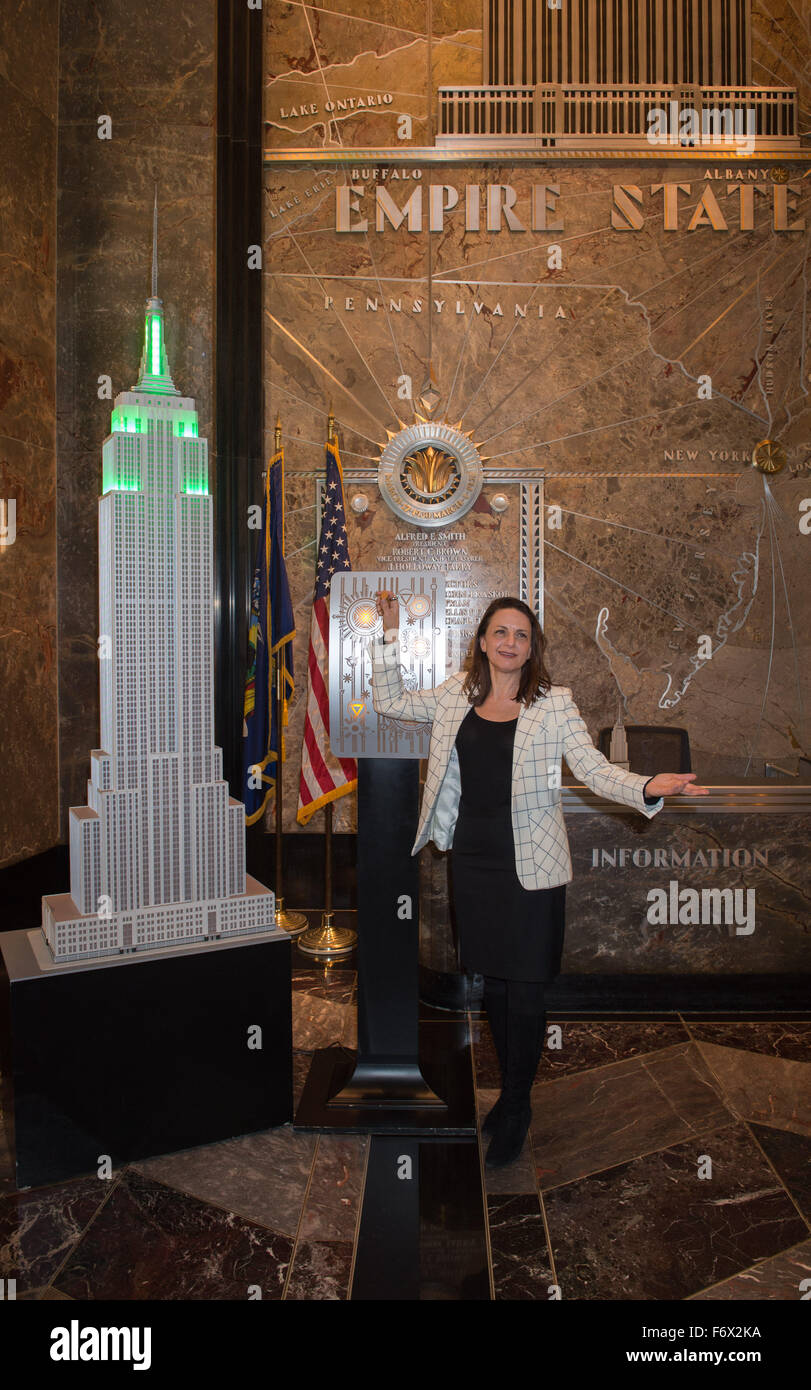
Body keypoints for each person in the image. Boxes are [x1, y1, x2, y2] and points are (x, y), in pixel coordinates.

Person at [371, 592, 708, 1168]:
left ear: (532, 648)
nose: (510, 643)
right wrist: (388, 636)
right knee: (495, 988)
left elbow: (595, 769)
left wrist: (650, 785)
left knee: (525, 988)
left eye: (521, 635)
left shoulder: (554, 705)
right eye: (500, 632)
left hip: (533, 867)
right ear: (481, 642)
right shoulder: (456, 695)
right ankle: (512, 1090)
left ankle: (518, 1103)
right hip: (473, 862)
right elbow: (391, 701)